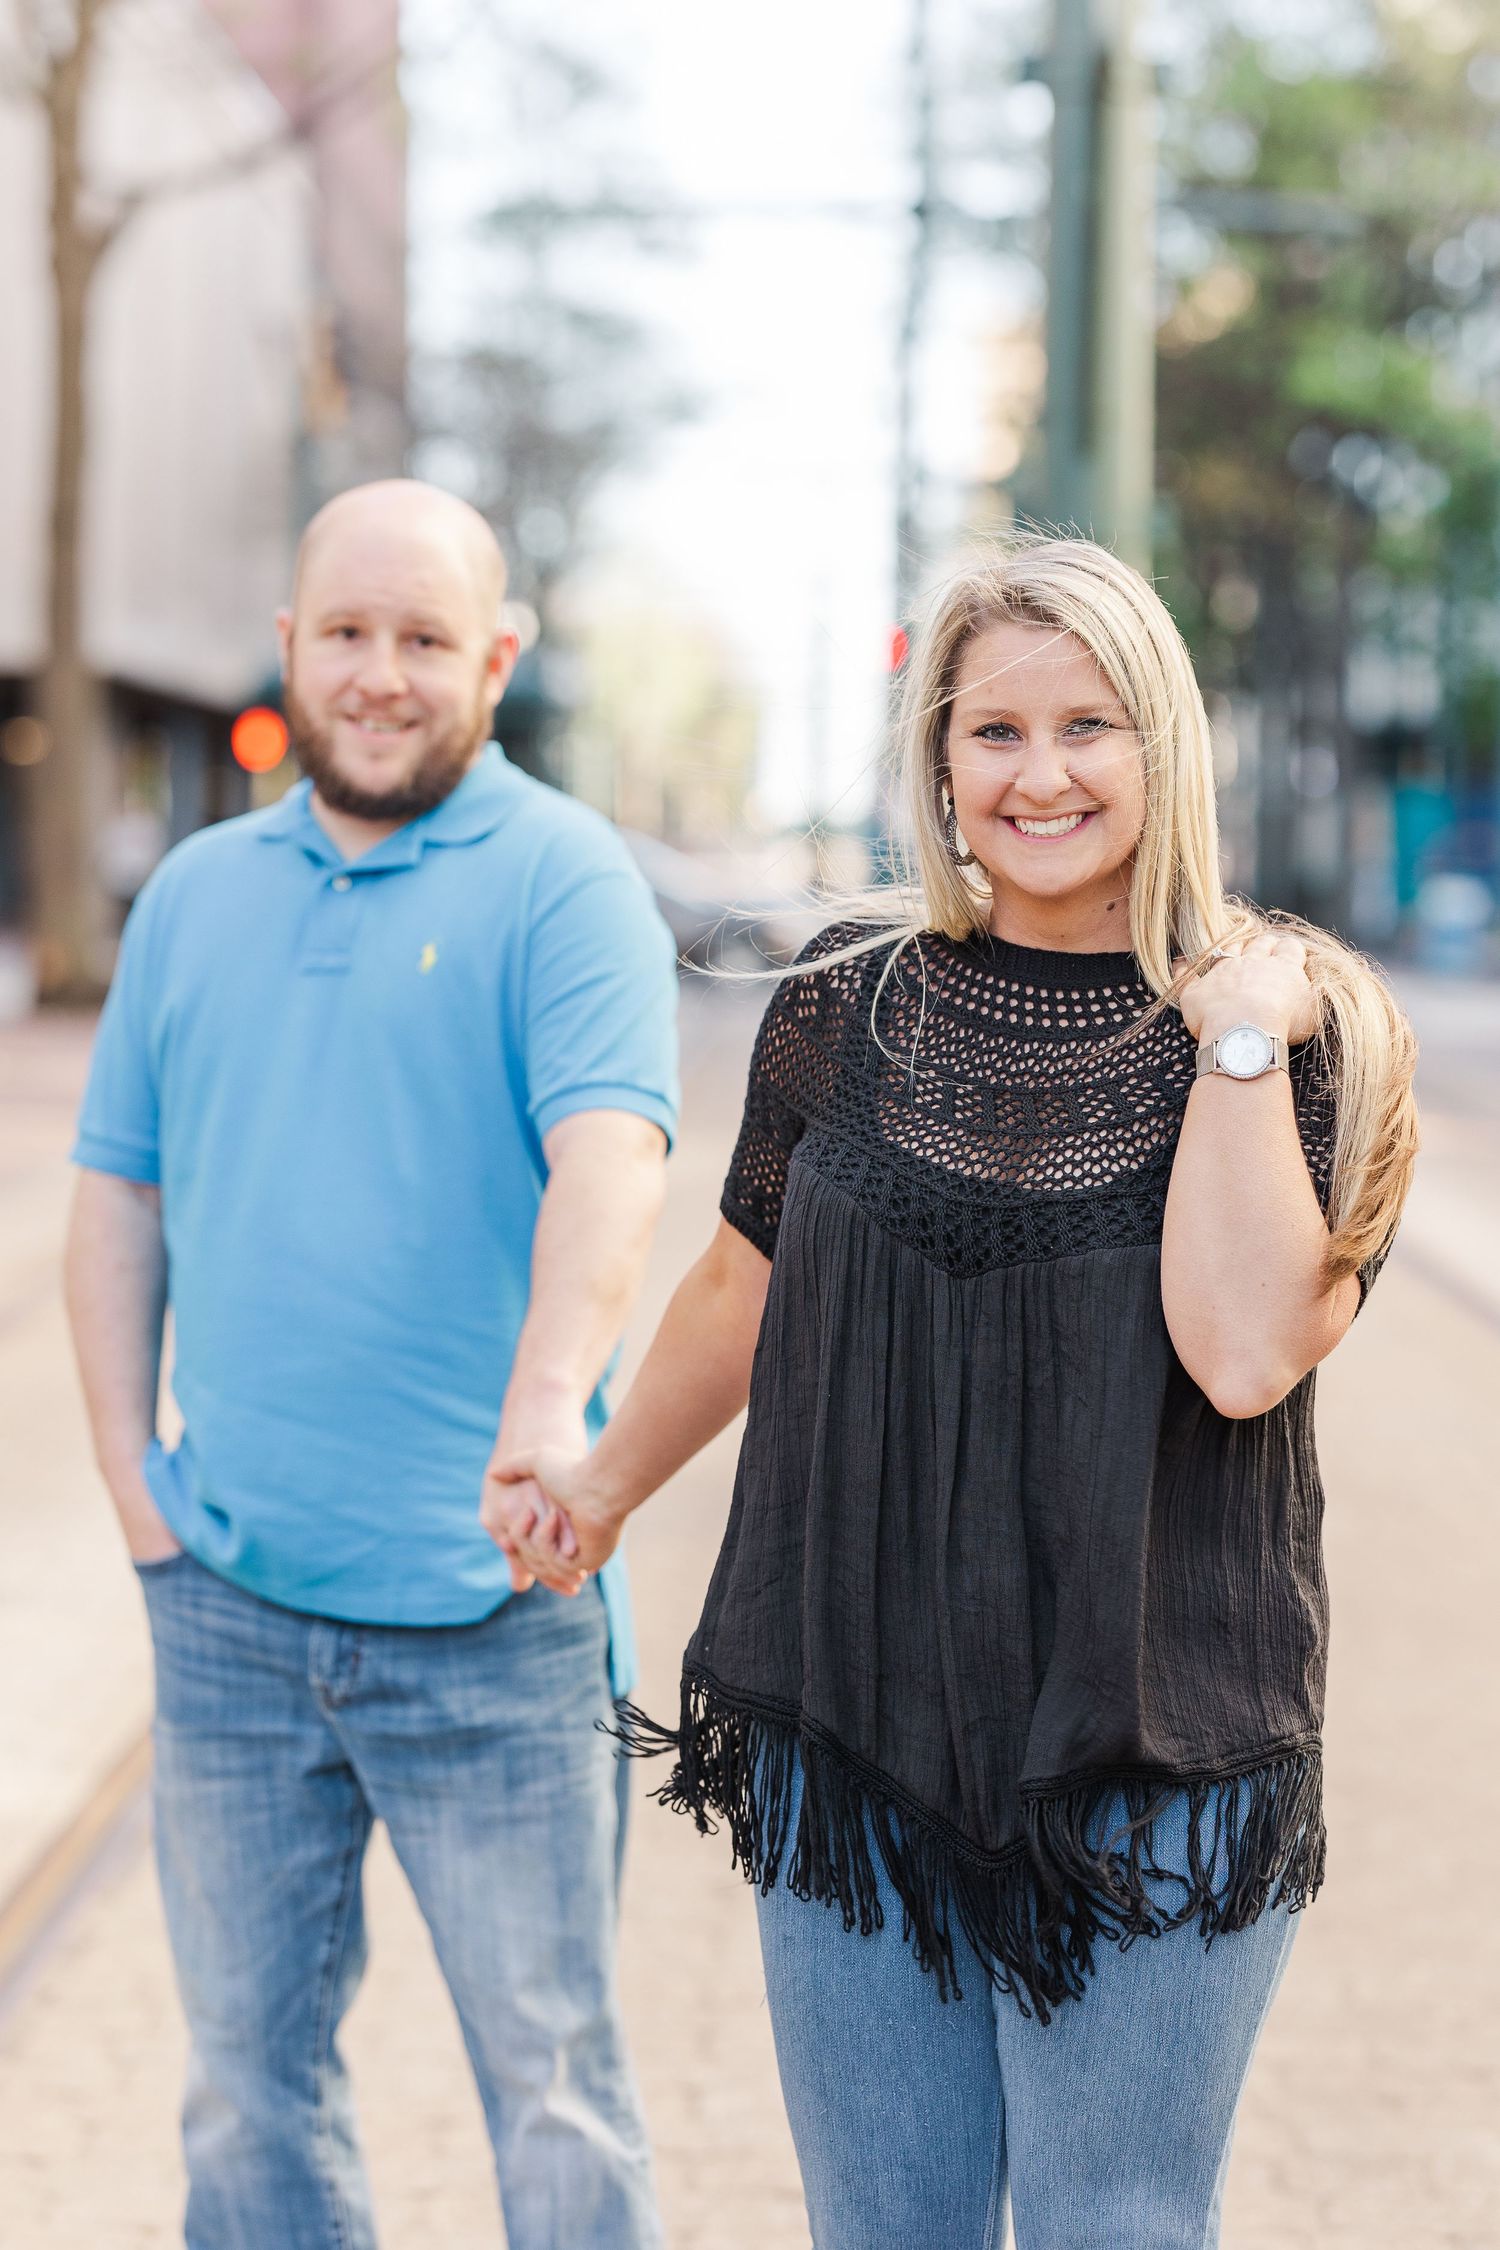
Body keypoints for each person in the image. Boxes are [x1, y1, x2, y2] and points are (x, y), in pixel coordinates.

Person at [493, 536, 1419, 2249]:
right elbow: (741, 1289)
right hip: (858, 1721)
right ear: (937, 760)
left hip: (1156, 1740)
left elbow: (1242, 1350)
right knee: (883, 2227)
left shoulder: (1310, 1030)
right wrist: (599, 1486)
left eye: (1087, 726)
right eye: (994, 730)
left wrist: (1232, 1036)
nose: (1040, 773)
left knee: (1114, 2223)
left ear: (1163, 742)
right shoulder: (841, 1011)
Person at [65, 479, 677, 2250]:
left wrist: (548, 1407)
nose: (381, 673)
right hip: (231, 1610)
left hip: (493, 1609)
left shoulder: (566, 878)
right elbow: (116, 1196)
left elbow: (612, 1160)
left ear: (497, 655)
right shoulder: (194, 895)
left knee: (555, 2093)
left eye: (425, 637)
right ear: (290, 646)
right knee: (244, 2090)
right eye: (347, 631)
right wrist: (136, 1491)